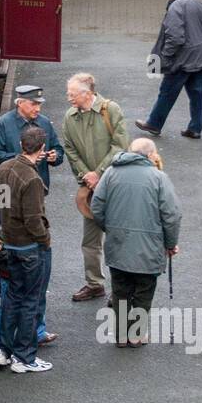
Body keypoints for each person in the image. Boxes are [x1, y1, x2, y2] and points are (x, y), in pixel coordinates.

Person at [0, 83, 64, 351]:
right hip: (9, 199)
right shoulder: (3, 125)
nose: (38, 109)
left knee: (33, 281)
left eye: (39, 104)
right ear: (20, 102)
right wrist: (23, 159)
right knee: (21, 261)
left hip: (34, 195)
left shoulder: (44, 124)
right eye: (34, 104)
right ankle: (19, 333)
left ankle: (36, 330)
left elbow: (59, 152)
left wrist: (54, 157)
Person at [90, 138, 181, 346]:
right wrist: (170, 243)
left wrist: (111, 228)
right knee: (143, 291)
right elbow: (172, 215)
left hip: (118, 244)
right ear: (150, 155)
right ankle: (136, 334)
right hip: (149, 248)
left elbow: (96, 206)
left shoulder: (111, 173)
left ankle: (121, 335)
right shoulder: (159, 178)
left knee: (120, 290)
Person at [61, 72, 130, 301]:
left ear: (88, 94)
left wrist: (98, 173)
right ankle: (95, 284)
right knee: (90, 241)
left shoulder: (111, 110)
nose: (68, 98)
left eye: (72, 94)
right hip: (90, 190)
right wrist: (86, 176)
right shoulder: (70, 117)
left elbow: (120, 146)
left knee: (117, 240)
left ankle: (120, 289)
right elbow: (69, 150)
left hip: (113, 186)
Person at [0, 125, 53, 374]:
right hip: (28, 248)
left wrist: (8, 218)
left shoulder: (5, 168)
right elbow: (33, 220)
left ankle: (3, 350)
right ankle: (25, 357)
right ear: (41, 150)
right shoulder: (32, 179)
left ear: (20, 144)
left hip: (7, 244)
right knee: (30, 301)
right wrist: (45, 240)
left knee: (12, 298)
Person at [136, 0, 202, 139]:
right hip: (200, 57)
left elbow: (175, 37)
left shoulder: (175, 7)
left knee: (167, 93)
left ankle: (154, 124)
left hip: (181, 61)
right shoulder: (199, 3)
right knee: (197, 95)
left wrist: (166, 56)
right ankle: (195, 128)